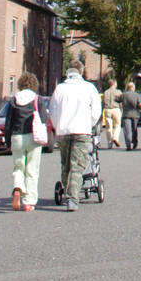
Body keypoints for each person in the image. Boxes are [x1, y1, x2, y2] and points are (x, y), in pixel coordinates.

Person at [48, 59, 102, 211]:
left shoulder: (59, 89)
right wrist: (89, 123)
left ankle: (68, 192)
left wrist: (59, 126)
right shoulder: (89, 88)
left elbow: (52, 111)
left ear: (68, 72)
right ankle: (73, 198)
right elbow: (96, 111)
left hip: (63, 131)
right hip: (82, 131)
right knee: (77, 166)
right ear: (81, 72)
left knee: (65, 164)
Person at [4, 71, 52, 212]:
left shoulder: (13, 100)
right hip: (33, 137)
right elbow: (43, 119)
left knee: (18, 167)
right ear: (34, 84)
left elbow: (8, 124)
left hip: (17, 137)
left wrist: (8, 142)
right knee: (32, 170)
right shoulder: (38, 99)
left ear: (20, 84)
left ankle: (18, 187)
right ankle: (28, 202)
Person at [121, 82, 141, 150]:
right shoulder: (137, 95)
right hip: (135, 114)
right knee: (134, 129)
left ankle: (128, 144)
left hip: (126, 114)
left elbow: (117, 100)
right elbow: (140, 104)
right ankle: (135, 142)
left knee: (127, 130)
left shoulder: (123, 95)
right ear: (133, 88)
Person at [102, 79, 122, 148]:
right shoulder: (118, 92)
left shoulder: (106, 92)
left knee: (108, 127)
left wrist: (102, 110)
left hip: (108, 110)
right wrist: (121, 109)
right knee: (117, 126)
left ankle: (109, 143)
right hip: (116, 109)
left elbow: (103, 102)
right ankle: (115, 138)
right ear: (114, 84)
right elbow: (121, 102)